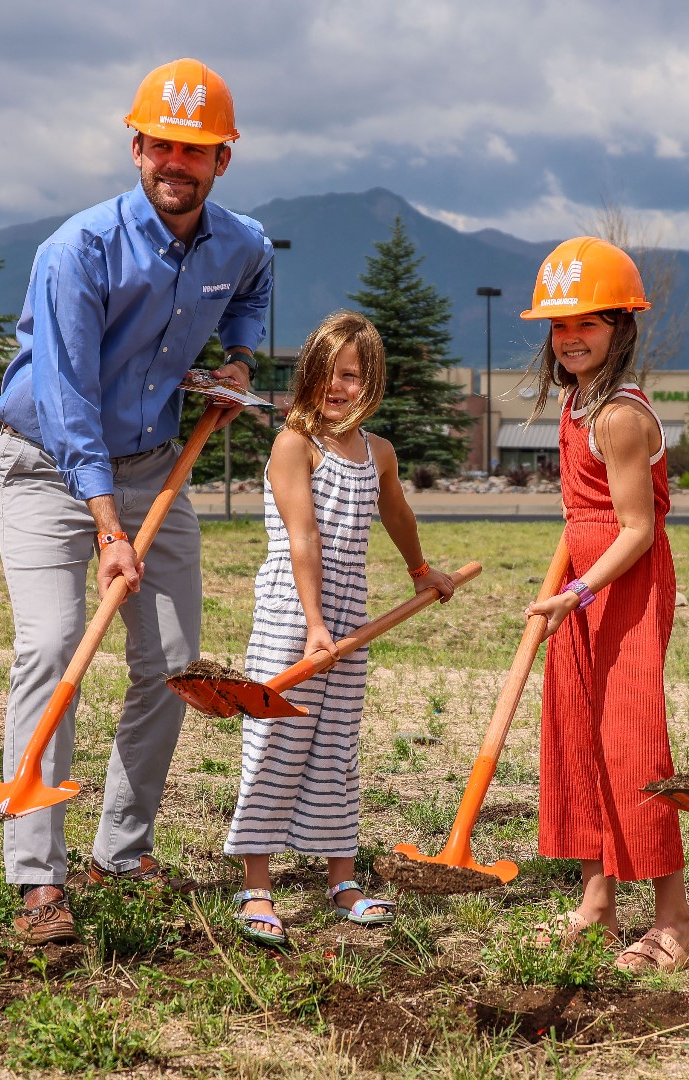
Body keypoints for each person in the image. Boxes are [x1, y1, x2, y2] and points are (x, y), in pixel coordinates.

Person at [0, 57, 271, 946]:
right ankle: (38, 876)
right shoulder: (77, 248)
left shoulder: (242, 244)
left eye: (193, 149)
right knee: (51, 647)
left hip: (155, 462)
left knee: (175, 666)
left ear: (222, 158)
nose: (173, 162)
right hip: (46, 466)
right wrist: (108, 525)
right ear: (137, 146)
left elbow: (251, 301)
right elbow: (69, 396)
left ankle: (123, 845)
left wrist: (238, 362)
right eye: (159, 145)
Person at [225, 310, 455, 946]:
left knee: (334, 748)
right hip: (291, 615)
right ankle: (257, 884)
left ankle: (343, 881)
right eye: (327, 373)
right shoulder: (293, 444)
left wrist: (420, 570)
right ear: (307, 377)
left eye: (351, 375)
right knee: (275, 744)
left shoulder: (377, 453)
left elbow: (397, 512)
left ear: (370, 382)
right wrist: (314, 624)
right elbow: (303, 538)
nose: (338, 386)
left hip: (348, 619)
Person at [516, 237, 689, 973]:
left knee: (631, 745)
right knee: (578, 738)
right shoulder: (573, 400)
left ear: (622, 327)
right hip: (581, 588)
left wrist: (580, 592)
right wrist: (567, 587)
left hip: (625, 588)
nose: (571, 338)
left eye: (587, 322)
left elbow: (638, 531)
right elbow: (582, 515)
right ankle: (597, 903)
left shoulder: (618, 416)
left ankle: (675, 924)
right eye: (559, 326)